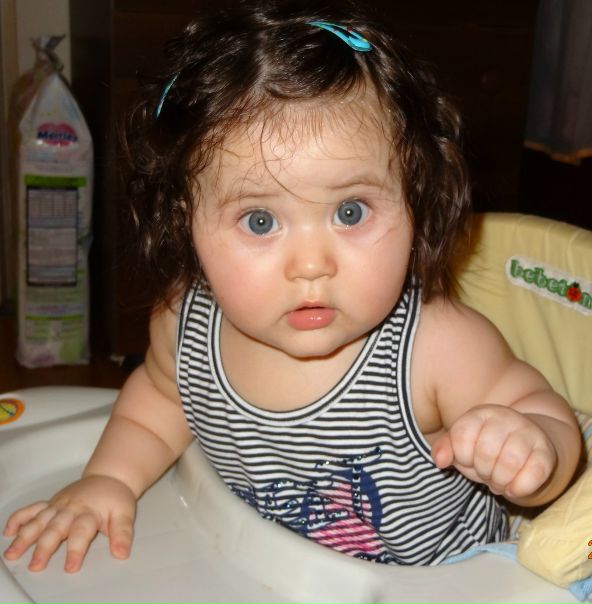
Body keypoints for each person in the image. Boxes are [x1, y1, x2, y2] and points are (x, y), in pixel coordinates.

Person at [3, 0, 581, 573]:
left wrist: (530, 450)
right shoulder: (183, 326)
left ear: (416, 199)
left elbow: (547, 421)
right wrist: (109, 479)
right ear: (187, 222)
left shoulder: (436, 348)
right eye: (260, 221)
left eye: (350, 212)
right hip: (260, 569)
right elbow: (156, 405)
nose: (311, 266)